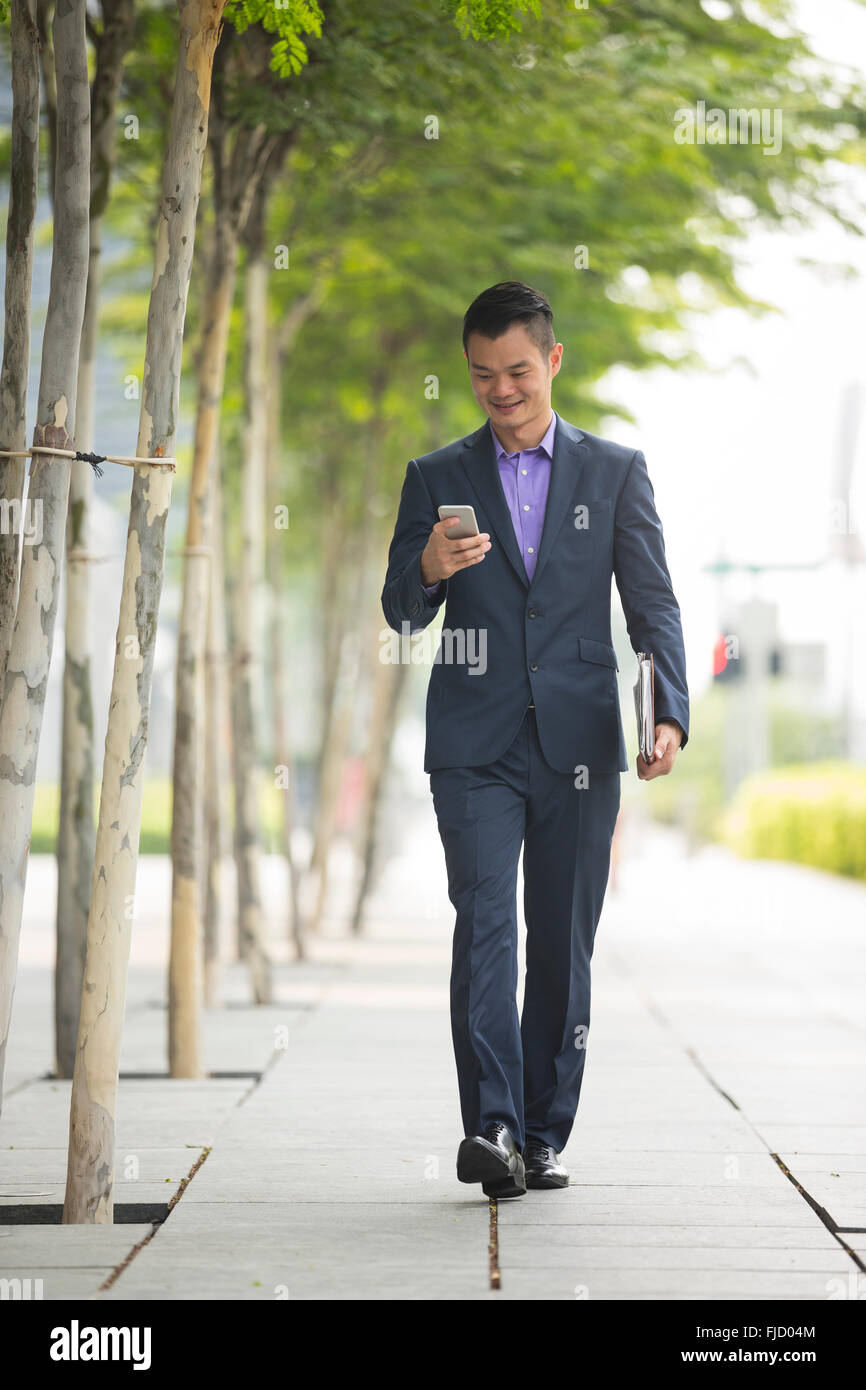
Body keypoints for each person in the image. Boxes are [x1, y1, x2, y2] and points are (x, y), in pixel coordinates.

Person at [381, 281, 689, 1198]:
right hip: (473, 744)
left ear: (552, 361)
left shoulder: (615, 471)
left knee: (560, 938)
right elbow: (400, 613)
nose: (502, 391)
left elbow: (653, 602)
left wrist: (666, 708)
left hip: (582, 743)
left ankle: (545, 1132)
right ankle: (496, 1127)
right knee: (484, 928)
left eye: (517, 371)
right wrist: (427, 570)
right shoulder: (436, 477)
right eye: (483, 377)